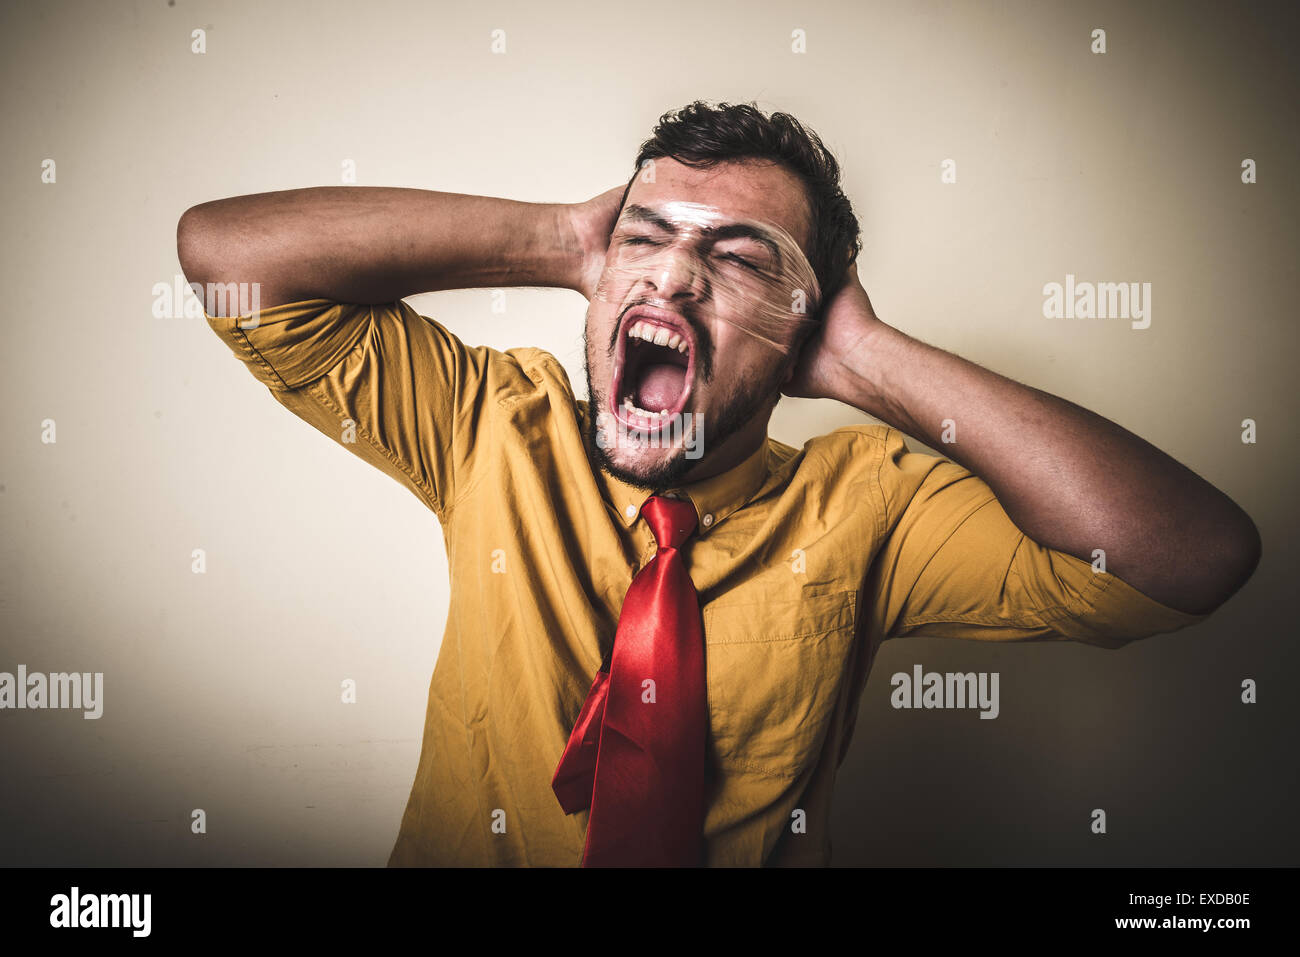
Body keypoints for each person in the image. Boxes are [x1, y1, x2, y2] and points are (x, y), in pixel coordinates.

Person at [177, 101, 1260, 867]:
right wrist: (560, 237)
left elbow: (1188, 555)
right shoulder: (489, 424)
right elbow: (225, 254)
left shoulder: (868, 504)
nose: (674, 273)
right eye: (642, 240)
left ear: (805, 328)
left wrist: (863, 356)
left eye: (742, 259)